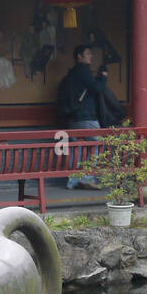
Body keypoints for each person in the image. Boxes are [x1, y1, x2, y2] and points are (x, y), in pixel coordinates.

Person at [57, 45, 106, 189]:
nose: (91, 56)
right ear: (79, 56)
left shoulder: (71, 74)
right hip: (86, 116)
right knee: (97, 145)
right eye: (88, 53)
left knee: (76, 148)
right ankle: (86, 177)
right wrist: (103, 77)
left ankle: (73, 180)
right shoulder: (83, 70)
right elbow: (97, 88)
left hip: (73, 117)